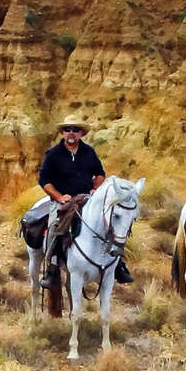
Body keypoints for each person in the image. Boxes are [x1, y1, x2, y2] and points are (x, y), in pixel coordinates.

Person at [36, 116, 130, 287]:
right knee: (54, 227)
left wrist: (96, 188)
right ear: (63, 133)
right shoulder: (53, 154)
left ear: (81, 133)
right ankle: (52, 267)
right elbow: (44, 180)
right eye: (67, 129)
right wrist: (58, 196)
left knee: (112, 221)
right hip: (64, 200)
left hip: (87, 198)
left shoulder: (89, 152)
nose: (71, 132)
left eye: (75, 129)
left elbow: (100, 173)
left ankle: (118, 265)